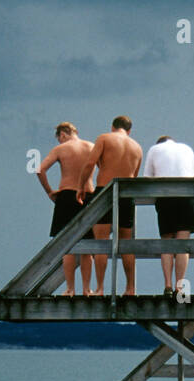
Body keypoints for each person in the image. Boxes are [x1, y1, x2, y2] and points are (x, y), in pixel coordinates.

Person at [77, 115, 143, 296]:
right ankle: (130, 288)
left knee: (101, 242)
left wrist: (81, 186)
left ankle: (99, 288)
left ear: (113, 127)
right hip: (127, 194)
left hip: (105, 192)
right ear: (129, 131)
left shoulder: (104, 138)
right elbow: (135, 176)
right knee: (126, 243)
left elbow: (90, 163)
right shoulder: (137, 147)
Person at [36, 122, 95, 297]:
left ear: (62, 134)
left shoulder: (61, 149)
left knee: (67, 246)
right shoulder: (92, 146)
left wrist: (49, 192)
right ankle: (87, 289)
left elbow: (40, 170)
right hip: (89, 196)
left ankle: (70, 289)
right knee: (88, 246)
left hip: (67, 195)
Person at [140, 135, 194, 298]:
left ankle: (167, 285)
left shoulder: (154, 150)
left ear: (159, 143)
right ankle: (180, 288)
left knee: (166, 242)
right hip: (187, 195)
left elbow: (147, 179)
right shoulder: (187, 148)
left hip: (165, 195)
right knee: (182, 244)